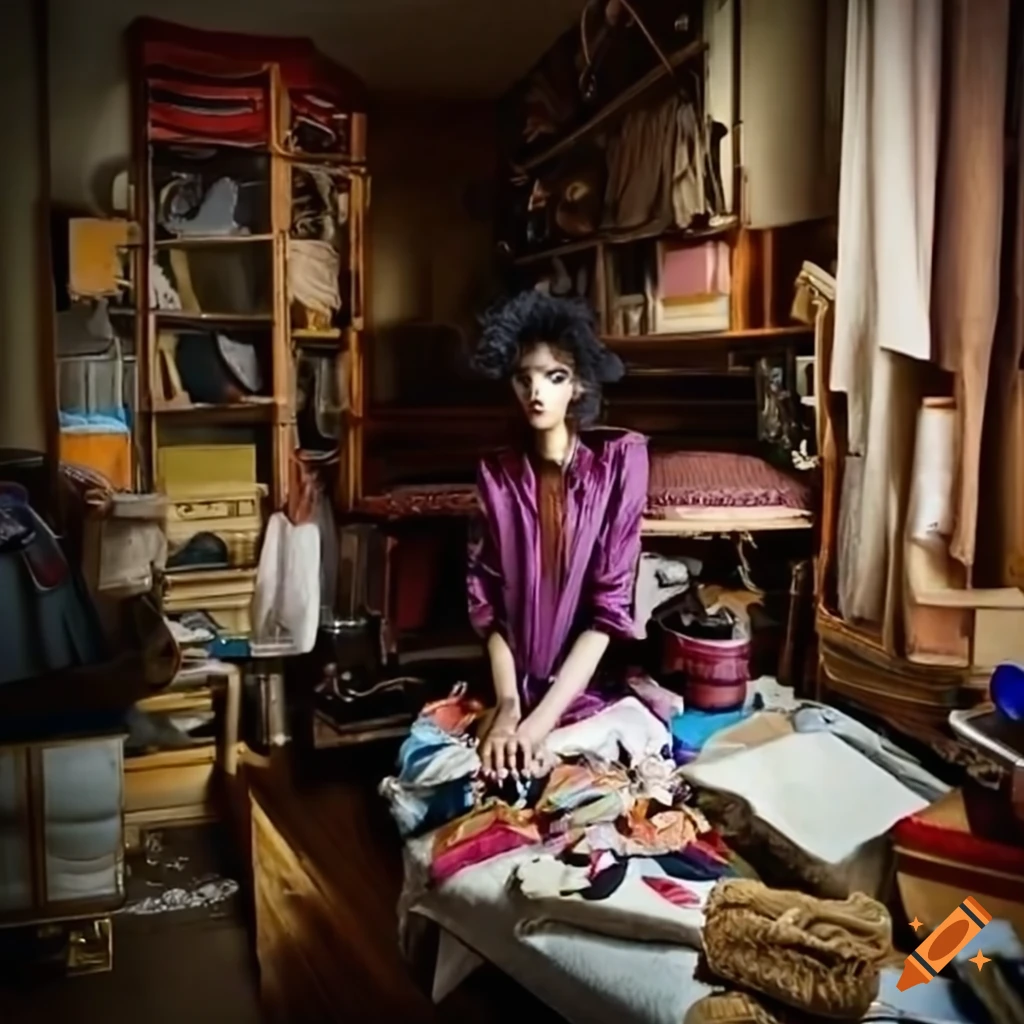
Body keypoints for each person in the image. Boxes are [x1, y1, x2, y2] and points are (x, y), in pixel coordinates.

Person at [466, 290, 649, 781]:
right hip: (514, 686)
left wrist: (537, 726)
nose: (536, 393)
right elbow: (489, 610)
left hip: (584, 690)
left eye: (555, 376)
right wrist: (507, 710)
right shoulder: (497, 475)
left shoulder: (620, 464)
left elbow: (609, 612)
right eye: (523, 379)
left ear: (580, 386)